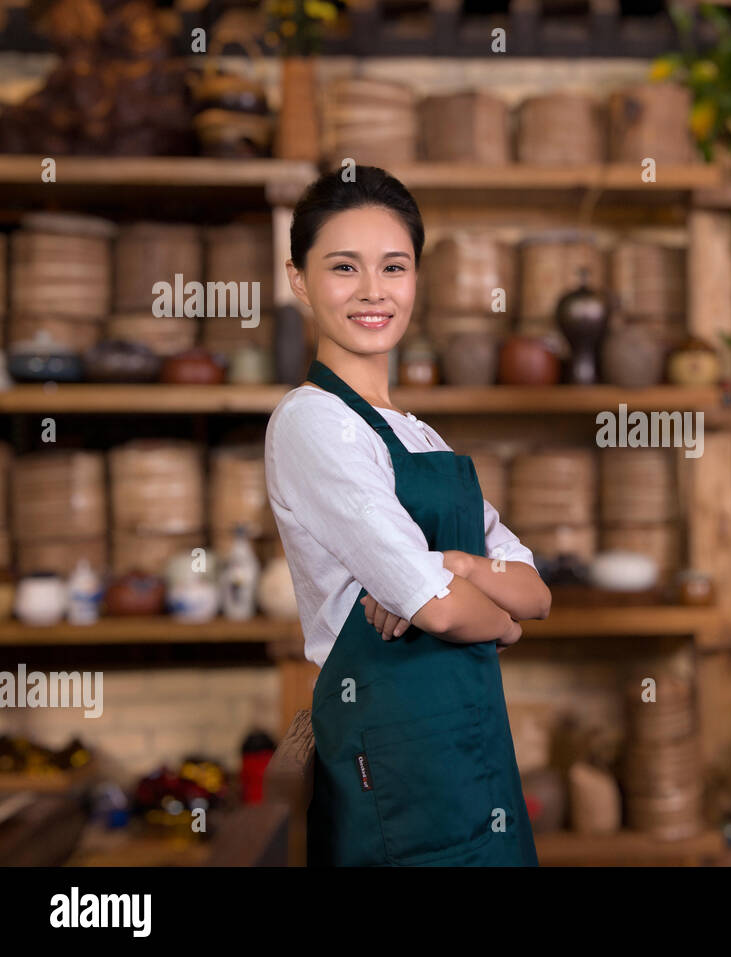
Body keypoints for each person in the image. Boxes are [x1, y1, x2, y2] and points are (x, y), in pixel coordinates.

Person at [264, 165, 548, 866]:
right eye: (342, 267)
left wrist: (456, 566)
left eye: (394, 266)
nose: (372, 291)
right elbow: (448, 611)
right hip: (390, 771)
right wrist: (495, 618)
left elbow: (536, 588)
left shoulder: (423, 437)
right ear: (299, 278)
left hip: (475, 757)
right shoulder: (312, 424)